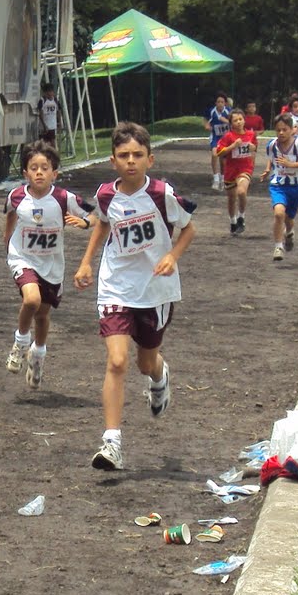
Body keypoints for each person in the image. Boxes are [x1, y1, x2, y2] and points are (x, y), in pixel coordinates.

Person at [73, 122, 196, 470]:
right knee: (116, 361)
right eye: (124, 156)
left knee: (145, 362)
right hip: (116, 286)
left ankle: (160, 377)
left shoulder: (162, 195)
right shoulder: (106, 195)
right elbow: (102, 222)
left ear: (150, 159)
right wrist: (86, 263)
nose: (131, 162)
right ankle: (112, 443)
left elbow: (189, 229)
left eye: (137, 155)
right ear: (113, 161)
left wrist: (172, 255)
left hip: (155, 291)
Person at [2, 143, 92, 389]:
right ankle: (20, 343)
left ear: (55, 173)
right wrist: (8, 239)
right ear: (25, 173)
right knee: (31, 300)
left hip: (52, 265)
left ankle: (38, 355)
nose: (39, 172)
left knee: (42, 314)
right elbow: (10, 213)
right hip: (23, 257)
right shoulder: (17, 196)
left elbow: (96, 213)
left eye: (45, 168)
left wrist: (85, 223)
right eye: (34, 168)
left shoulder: (64, 198)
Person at [260, 112, 298, 261]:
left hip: (296, 187)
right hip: (278, 185)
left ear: (292, 129)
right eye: (278, 130)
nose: (281, 133)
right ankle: (278, 246)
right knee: (278, 214)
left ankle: (289, 232)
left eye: (284, 129)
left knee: (289, 218)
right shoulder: (271, 145)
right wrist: (267, 170)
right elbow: (272, 159)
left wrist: (290, 164)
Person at [212, 108, 257, 233]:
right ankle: (233, 221)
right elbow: (219, 152)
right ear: (231, 123)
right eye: (235, 120)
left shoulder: (251, 135)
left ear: (244, 120)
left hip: (245, 168)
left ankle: (241, 217)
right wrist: (233, 146)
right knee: (231, 199)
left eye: (240, 119)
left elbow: (254, 148)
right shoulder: (228, 136)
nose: (238, 122)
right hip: (231, 170)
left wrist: (253, 148)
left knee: (242, 192)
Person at [203, 93, 234, 185]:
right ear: (215, 103)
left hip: (225, 138)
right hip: (215, 137)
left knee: (223, 160)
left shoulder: (229, 111)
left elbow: (234, 123)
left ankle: (223, 177)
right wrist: (207, 125)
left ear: (225, 103)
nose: (220, 104)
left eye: (222, 102)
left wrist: (225, 120)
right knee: (214, 153)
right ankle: (216, 177)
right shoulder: (211, 111)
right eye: (218, 102)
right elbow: (205, 119)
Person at [37, 83, 61, 149]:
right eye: (48, 92)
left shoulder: (55, 100)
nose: (50, 94)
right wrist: (44, 125)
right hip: (44, 127)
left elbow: (58, 111)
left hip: (52, 126)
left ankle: (54, 157)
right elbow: (40, 113)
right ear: (45, 92)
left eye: (51, 92)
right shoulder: (42, 101)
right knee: (43, 144)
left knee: (53, 143)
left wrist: (59, 122)